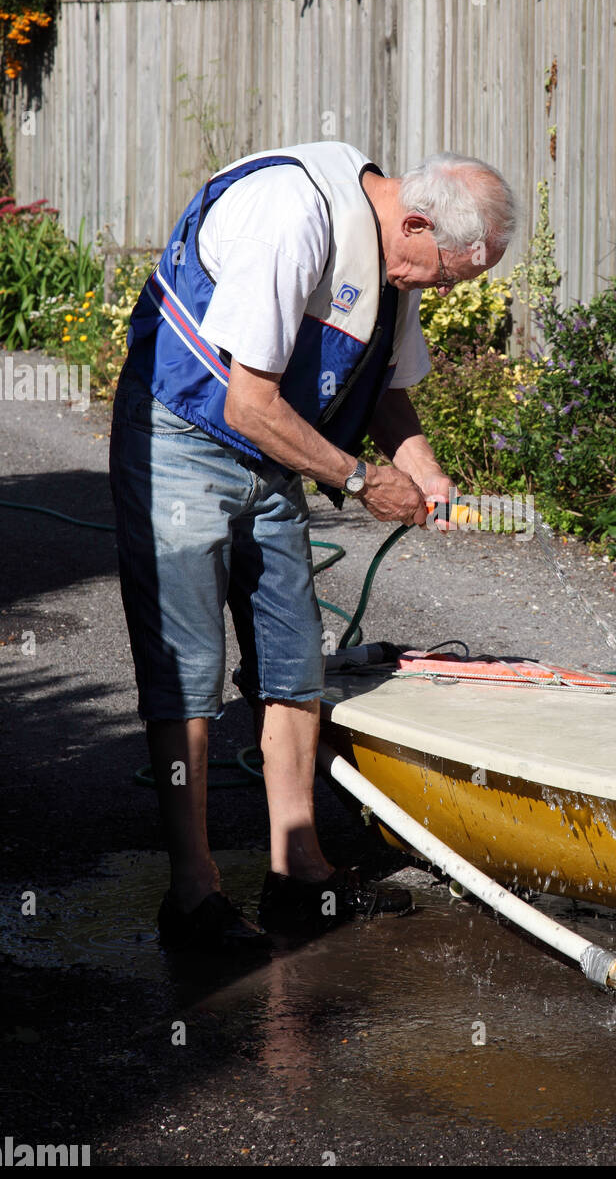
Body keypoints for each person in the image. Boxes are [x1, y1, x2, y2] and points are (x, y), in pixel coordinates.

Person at [108, 142, 516, 952]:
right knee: (187, 673)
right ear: (416, 222)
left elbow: (385, 392)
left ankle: (300, 876)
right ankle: (192, 899)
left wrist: (423, 470)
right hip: (183, 435)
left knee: (292, 662)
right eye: (444, 274)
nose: (437, 289)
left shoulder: (394, 259)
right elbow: (249, 403)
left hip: (271, 453)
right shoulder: (294, 215)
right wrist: (365, 484)